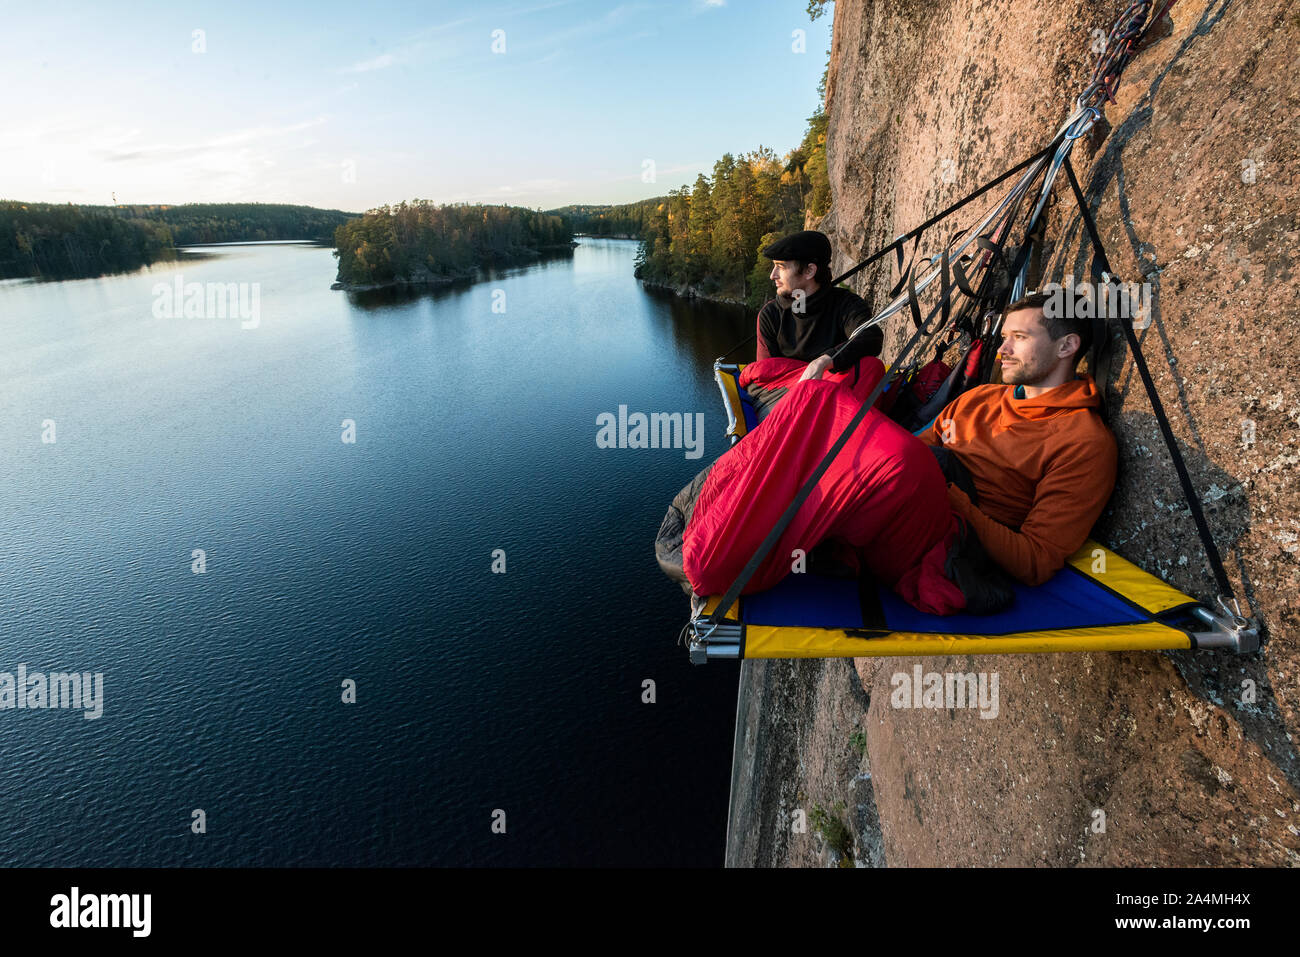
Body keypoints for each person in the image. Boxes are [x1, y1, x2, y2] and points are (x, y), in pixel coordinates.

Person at [916, 291, 1118, 586]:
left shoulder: (1083, 442)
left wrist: (945, 494)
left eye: (1019, 337)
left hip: (953, 539)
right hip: (914, 497)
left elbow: (1035, 561)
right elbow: (915, 449)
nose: (1001, 351)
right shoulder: (979, 398)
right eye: (1004, 337)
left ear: (1067, 346)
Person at [756, 230, 883, 380]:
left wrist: (824, 361)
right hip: (788, 395)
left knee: (871, 366)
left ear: (809, 271)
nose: (773, 275)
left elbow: (871, 336)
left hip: (834, 391)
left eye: (781, 267)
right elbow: (765, 375)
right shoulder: (771, 314)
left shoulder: (846, 305)